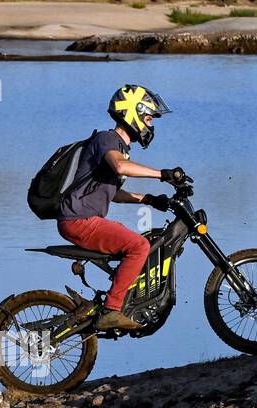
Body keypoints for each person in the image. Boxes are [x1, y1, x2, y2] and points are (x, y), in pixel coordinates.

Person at [57, 84, 187, 331]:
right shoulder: (107, 140)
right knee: (139, 246)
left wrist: (149, 199)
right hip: (79, 221)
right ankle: (112, 309)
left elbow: (111, 193)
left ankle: (116, 299)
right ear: (133, 114)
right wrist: (163, 174)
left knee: (139, 239)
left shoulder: (118, 147)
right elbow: (120, 168)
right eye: (148, 118)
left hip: (84, 219)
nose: (151, 126)